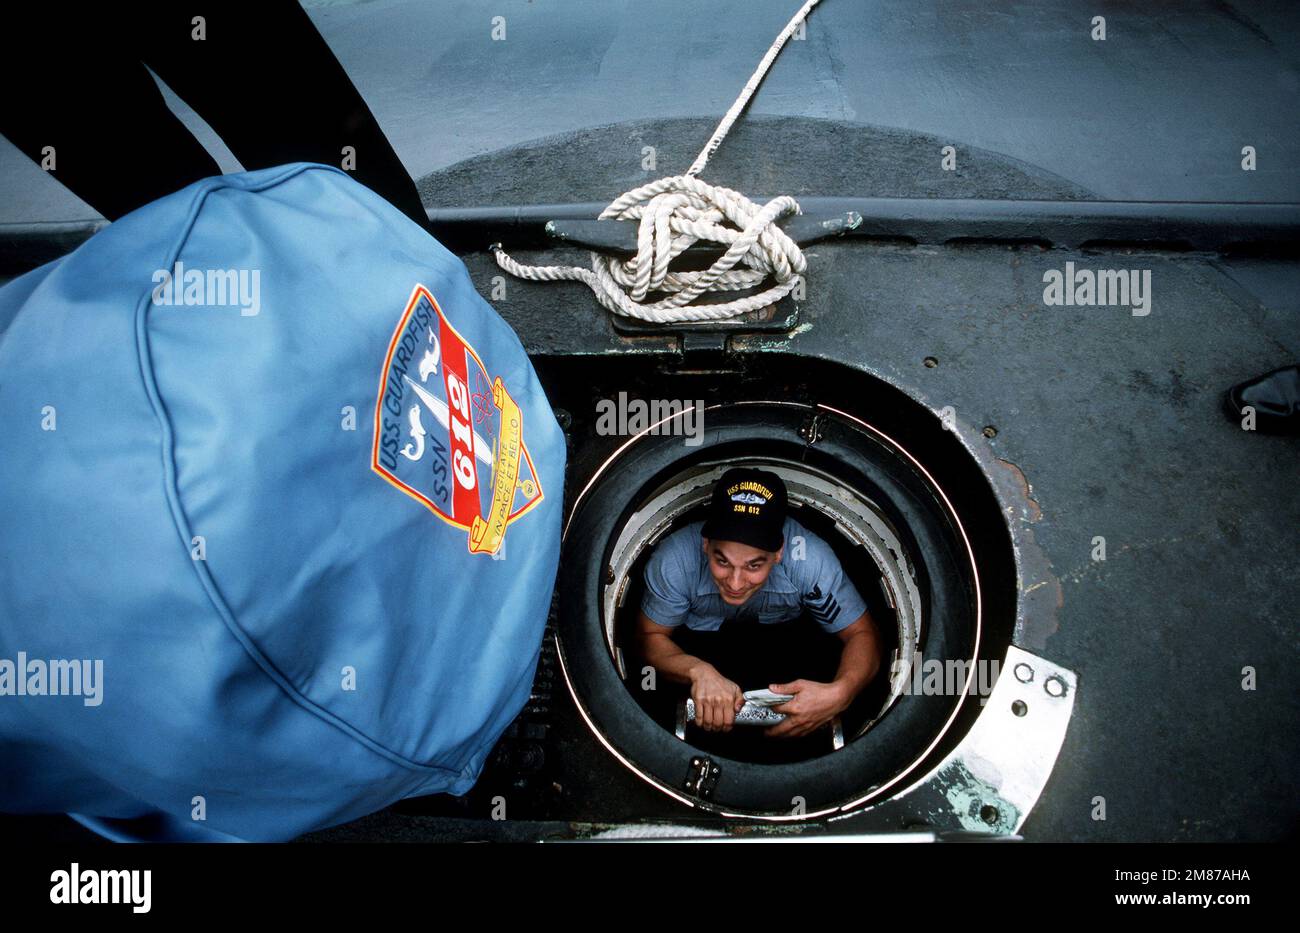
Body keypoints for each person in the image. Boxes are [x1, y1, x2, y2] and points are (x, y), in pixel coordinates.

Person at [636, 467, 881, 753]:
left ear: (779, 553)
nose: (736, 583)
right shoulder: (675, 559)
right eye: (723, 561)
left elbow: (863, 634)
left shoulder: (810, 560)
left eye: (754, 565)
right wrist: (697, 671)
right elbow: (648, 637)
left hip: (789, 643)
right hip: (698, 645)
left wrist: (842, 692)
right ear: (705, 544)